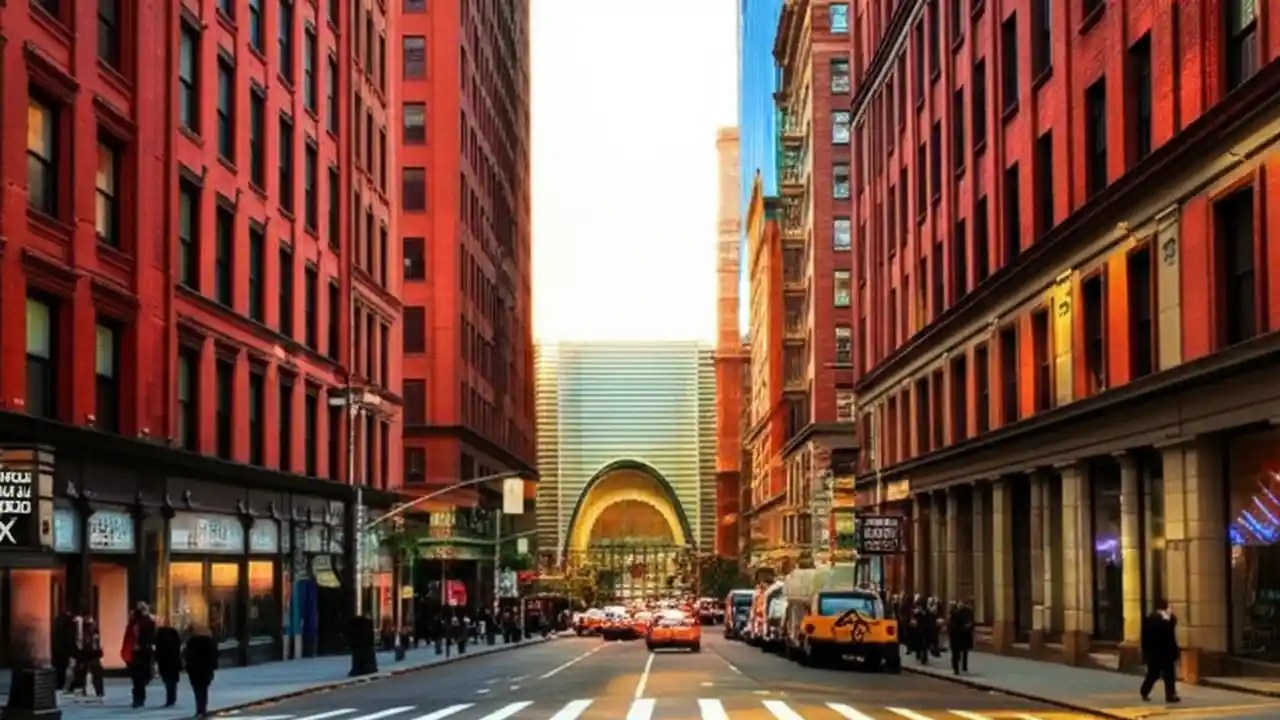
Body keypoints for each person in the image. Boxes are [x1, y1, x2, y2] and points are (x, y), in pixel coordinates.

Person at [1140, 599, 1181, 703]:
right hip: (1162, 652)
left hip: (1156, 652)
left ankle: (1146, 691)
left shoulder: (1150, 618)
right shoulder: (1161, 619)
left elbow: (1144, 637)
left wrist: (1145, 651)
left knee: (1157, 674)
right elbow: (1168, 630)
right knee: (1163, 674)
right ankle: (1169, 695)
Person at [123, 602, 157, 708]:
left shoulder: (145, 622)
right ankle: (138, 698)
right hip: (138, 652)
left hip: (142, 651)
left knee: (139, 677)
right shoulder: (136, 623)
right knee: (138, 677)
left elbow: (151, 636)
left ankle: (138, 698)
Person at [183, 623, 219, 718]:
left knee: (198, 690)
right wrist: (212, 668)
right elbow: (213, 656)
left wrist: (188, 666)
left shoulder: (191, 643)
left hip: (194, 669)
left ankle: (200, 709)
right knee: (203, 689)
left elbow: (188, 656)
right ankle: (202, 708)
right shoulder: (209, 642)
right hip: (205, 669)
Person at [155, 621, 183, 708]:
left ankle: (170, 699)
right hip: (173, 662)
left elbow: (158, 652)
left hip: (165, 663)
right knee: (172, 682)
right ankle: (172, 699)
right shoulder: (174, 638)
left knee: (168, 682)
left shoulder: (161, 640)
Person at [948, 598, 975, 675]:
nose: (961, 604)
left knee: (965, 651)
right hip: (955, 635)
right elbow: (950, 624)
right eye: (959, 603)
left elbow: (971, 622)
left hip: (964, 635)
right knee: (956, 653)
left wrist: (969, 626)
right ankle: (955, 669)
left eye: (962, 603)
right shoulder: (953, 612)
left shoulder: (968, 612)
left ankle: (964, 667)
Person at [52, 609, 75, 692]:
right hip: (65, 651)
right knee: (66, 668)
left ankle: (59, 684)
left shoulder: (57, 629)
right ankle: (67, 685)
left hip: (59, 651)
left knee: (60, 668)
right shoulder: (69, 630)